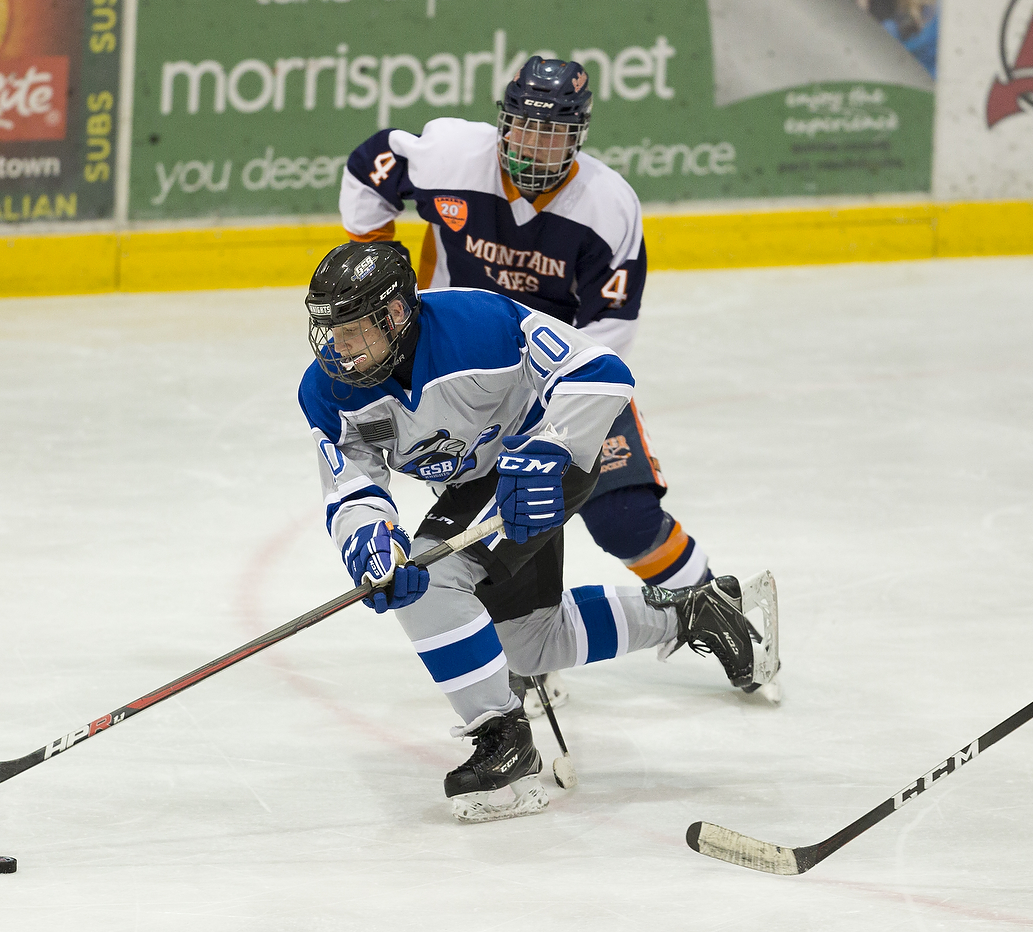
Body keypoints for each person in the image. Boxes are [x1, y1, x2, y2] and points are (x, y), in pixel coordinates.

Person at [297, 241, 779, 823]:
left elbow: (601, 371)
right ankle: (695, 611)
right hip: (478, 485)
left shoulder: (478, 325)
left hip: (549, 467)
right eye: (330, 331)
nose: (338, 348)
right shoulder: (327, 391)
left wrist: (548, 450)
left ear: (395, 314)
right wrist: (369, 538)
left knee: (433, 575)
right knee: (531, 642)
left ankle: (503, 742)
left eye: (352, 330)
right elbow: (353, 483)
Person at [339, 57, 718, 712]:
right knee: (496, 538)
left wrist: (553, 432)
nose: (535, 146)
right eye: (523, 128)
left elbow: (607, 336)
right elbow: (369, 164)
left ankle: (720, 609)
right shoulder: (452, 157)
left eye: (555, 133)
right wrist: (380, 259)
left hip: (561, 378)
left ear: (579, 136)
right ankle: (529, 642)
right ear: (503, 122)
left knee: (625, 520)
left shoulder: (607, 207)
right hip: (464, 385)